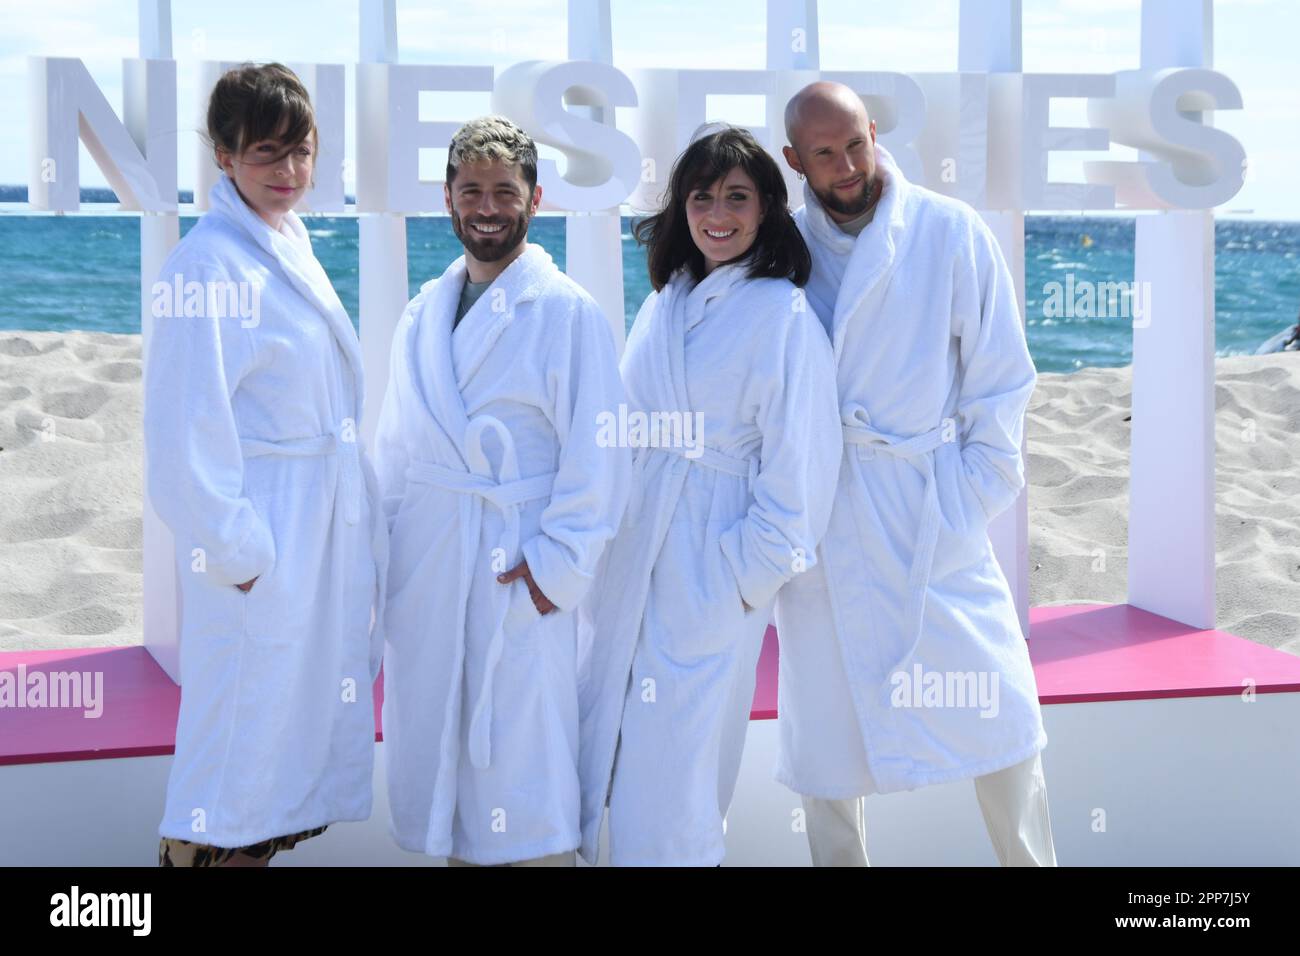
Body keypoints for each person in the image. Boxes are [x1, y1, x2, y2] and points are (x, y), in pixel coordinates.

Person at [775, 81, 1058, 867]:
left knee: (1003, 719)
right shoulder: (782, 251)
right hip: (827, 522)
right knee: (829, 744)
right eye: (824, 153)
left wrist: (965, 498)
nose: (845, 165)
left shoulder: (948, 231)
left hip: (929, 510)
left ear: (874, 131)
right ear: (796, 160)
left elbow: (1002, 381)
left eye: (855, 143)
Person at [577, 125, 841, 866]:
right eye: (702, 197)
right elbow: (624, 426)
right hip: (636, 556)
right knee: (617, 756)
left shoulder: (783, 318)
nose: (716, 213)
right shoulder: (666, 302)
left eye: (737, 197)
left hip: (709, 566)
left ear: (765, 211)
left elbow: (803, 470)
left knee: (678, 781)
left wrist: (738, 578)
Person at [145, 63, 388, 867]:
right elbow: (184, 438)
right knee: (231, 757)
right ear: (222, 155)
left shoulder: (286, 240)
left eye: (302, 152)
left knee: (275, 764)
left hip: (308, 532)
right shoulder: (205, 266)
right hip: (264, 542)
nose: (289, 174)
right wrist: (243, 555)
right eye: (267, 154)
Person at [374, 116, 631, 867]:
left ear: (536, 199)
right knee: (446, 765)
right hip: (432, 566)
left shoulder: (566, 311)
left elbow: (601, 452)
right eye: (472, 190)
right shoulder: (423, 312)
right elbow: (396, 447)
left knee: (525, 766)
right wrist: (393, 559)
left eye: (504, 192)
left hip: (515, 566)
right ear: (448, 199)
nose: (488, 206)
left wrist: (557, 571)